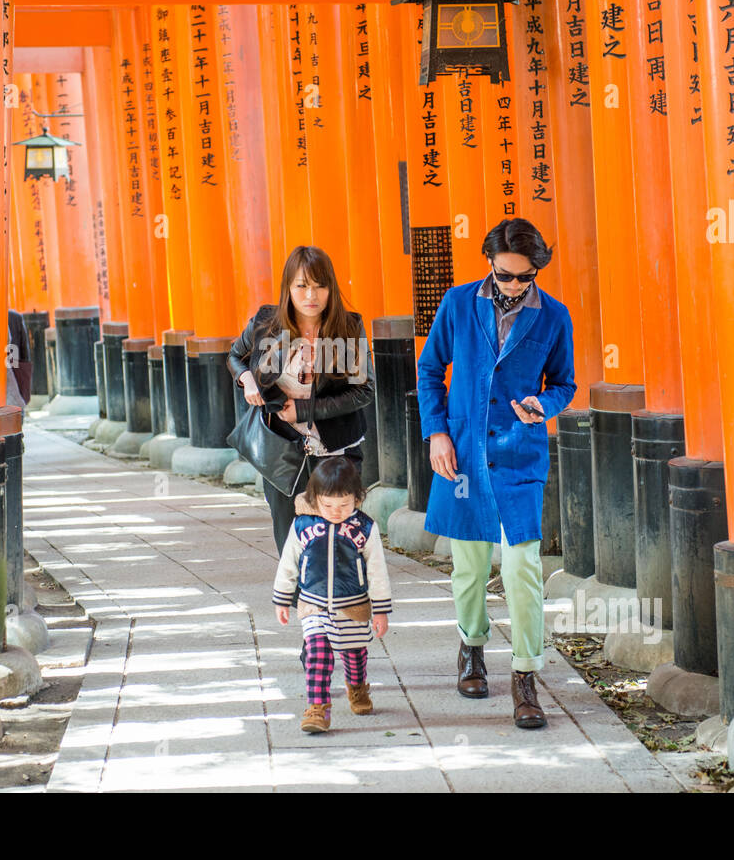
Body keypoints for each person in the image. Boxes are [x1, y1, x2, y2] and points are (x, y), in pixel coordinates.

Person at [416, 218, 576, 730]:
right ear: (490, 263)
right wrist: (437, 432)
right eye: (503, 275)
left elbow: (565, 383)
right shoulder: (458, 303)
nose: (511, 285)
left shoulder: (554, 317)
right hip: (462, 450)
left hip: (519, 455)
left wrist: (543, 403)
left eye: (522, 278)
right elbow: (428, 369)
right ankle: (472, 647)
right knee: (469, 565)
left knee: (522, 568)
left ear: (536, 271)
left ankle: (526, 677)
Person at [228, 246, 376, 556]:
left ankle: (336, 600)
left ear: (330, 287)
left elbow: (363, 390)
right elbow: (234, 356)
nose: (311, 295)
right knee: (291, 540)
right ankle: (301, 602)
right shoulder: (266, 323)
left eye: (320, 285)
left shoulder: (348, 328)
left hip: (336, 450)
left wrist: (305, 409)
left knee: (336, 541)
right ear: (288, 288)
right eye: (301, 285)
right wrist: (247, 379)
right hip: (282, 450)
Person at [272, 457, 391, 734]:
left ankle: (357, 685)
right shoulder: (303, 526)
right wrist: (282, 598)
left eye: (344, 505)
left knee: (354, 655)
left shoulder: (364, 528)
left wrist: (381, 609)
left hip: (353, 607)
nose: (336, 512)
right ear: (314, 498)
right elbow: (288, 562)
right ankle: (317, 708)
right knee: (317, 654)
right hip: (313, 605)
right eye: (327, 505)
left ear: (358, 498)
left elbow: (377, 571)